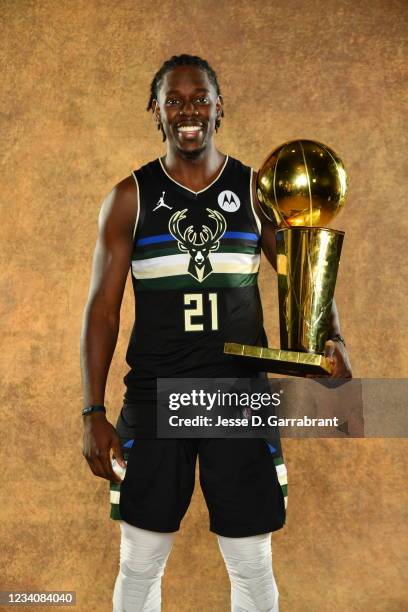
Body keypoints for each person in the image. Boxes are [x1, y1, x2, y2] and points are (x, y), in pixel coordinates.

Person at [80, 54, 352, 612]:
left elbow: (303, 277)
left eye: (200, 98)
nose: (188, 111)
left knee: (251, 563)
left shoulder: (258, 192)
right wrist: (91, 411)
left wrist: (330, 342)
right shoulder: (129, 199)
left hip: (238, 396)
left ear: (219, 107)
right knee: (140, 559)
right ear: (154, 110)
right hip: (156, 398)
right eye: (174, 99)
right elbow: (102, 313)